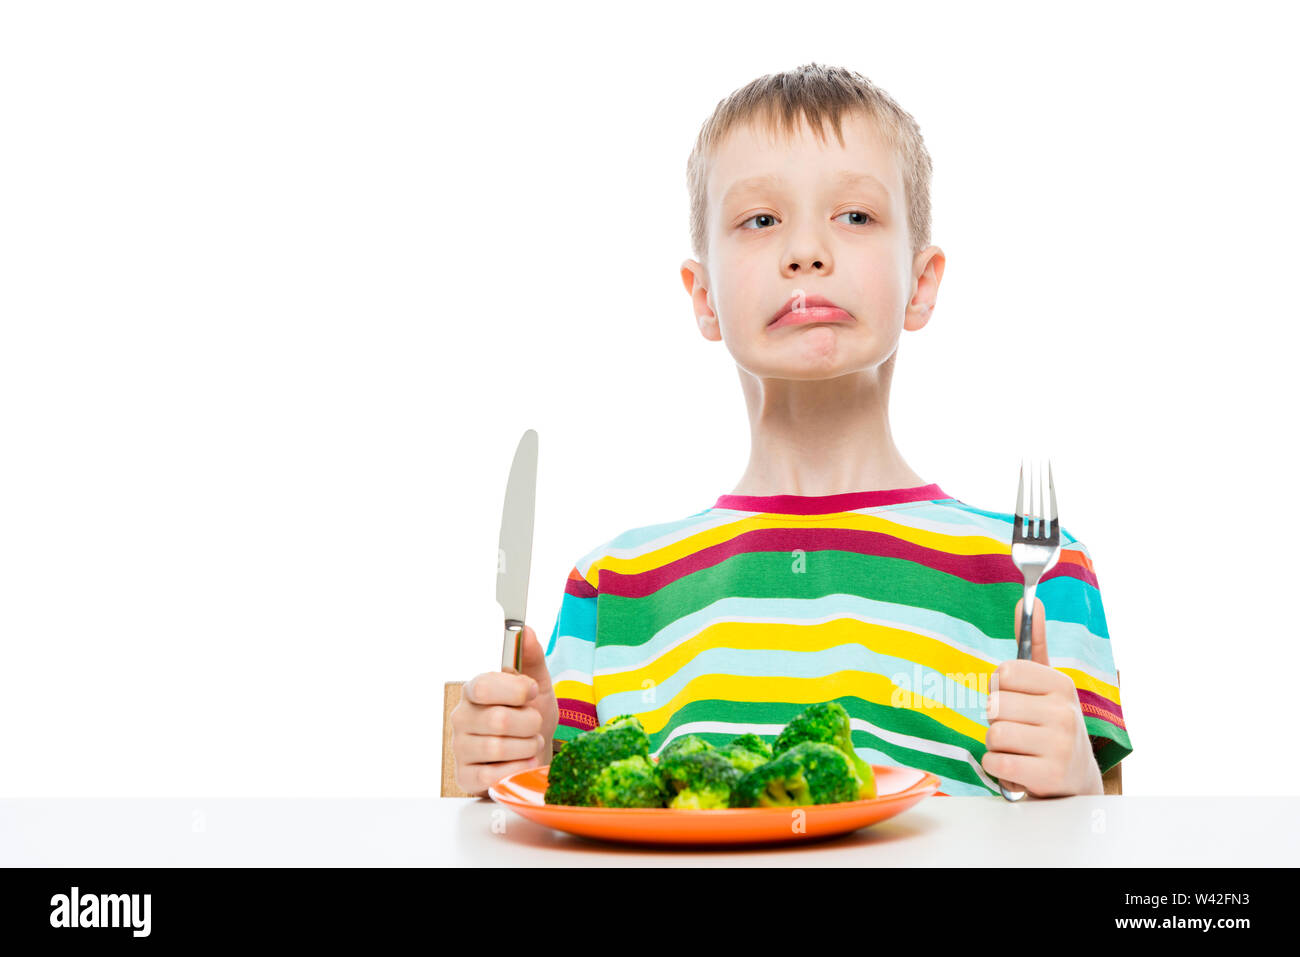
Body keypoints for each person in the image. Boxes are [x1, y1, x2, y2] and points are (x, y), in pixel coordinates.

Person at [450, 62, 1131, 799]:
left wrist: (1081, 790)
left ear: (922, 282)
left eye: (856, 216)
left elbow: (1101, 842)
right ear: (704, 297)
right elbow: (551, 822)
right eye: (762, 220)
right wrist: (505, 765)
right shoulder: (613, 589)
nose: (806, 251)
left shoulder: (1039, 574)